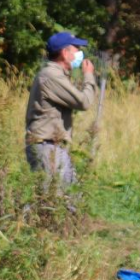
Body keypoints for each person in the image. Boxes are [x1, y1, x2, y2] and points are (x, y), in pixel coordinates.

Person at [24, 32, 98, 188]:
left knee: (68, 199)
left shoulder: (56, 75)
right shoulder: (51, 76)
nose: (80, 53)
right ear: (65, 53)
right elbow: (83, 102)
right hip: (47, 146)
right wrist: (89, 76)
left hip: (53, 145)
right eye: (76, 48)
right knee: (54, 200)